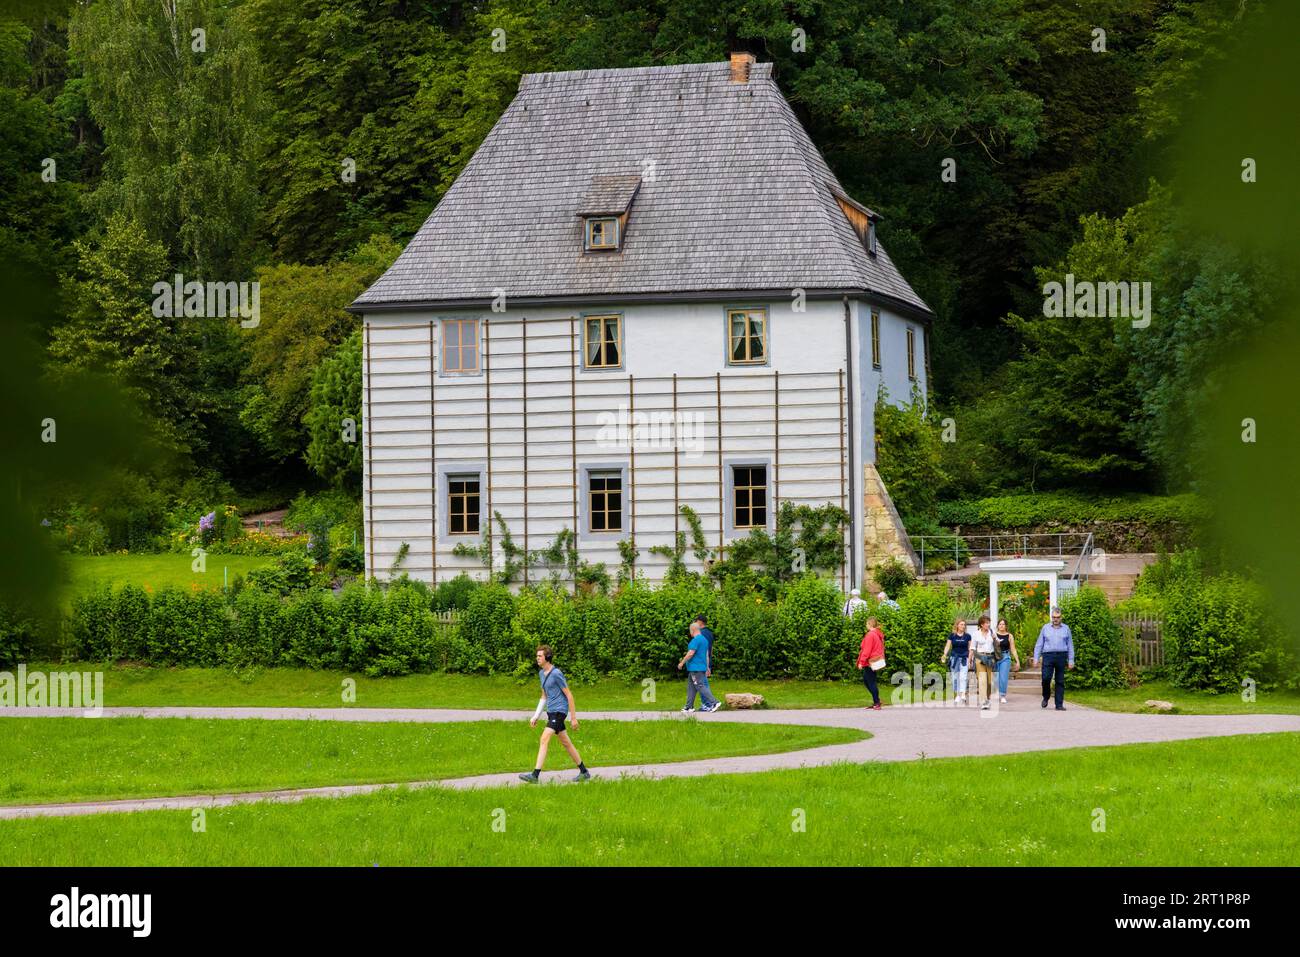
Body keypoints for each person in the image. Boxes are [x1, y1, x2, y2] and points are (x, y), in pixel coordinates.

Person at [519, 645, 591, 783]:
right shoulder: (541, 674)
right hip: (551, 712)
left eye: (540, 656)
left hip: (560, 711)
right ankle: (584, 771)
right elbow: (544, 696)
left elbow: (569, 695)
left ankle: (535, 775)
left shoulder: (557, 673)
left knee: (544, 738)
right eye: (537, 656)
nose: (537, 658)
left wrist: (573, 718)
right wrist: (536, 716)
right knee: (566, 742)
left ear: (547, 657)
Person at [1033, 606, 1075, 710]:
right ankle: (1046, 696)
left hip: (1061, 656)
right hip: (1048, 656)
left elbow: (1070, 645)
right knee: (1046, 678)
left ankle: (1059, 704)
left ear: (1061, 617)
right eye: (1053, 617)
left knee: (1060, 680)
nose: (1055, 619)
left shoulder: (1066, 628)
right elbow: (1039, 644)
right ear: (1052, 617)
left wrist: (1071, 660)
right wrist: (1036, 658)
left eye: (1057, 617)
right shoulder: (1045, 628)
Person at [678, 621, 721, 713]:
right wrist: (707, 667)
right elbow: (706, 655)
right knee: (691, 687)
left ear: (693, 630)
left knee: (700, 686)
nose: (690, 633)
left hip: (695, 668)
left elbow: (690, 653)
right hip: (699, 667)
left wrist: (682, 663)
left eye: (690, 631)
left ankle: (714, 702)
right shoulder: (704, 640)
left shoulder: (696, 640)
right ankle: (689, 706)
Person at [856, 616, 886, 710]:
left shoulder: (870, 635)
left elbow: (867, 650)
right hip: (874, 660)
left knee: (871, 682)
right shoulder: (877, 634)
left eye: (866, 623)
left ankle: (877, 702)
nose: (866, 625)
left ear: (870, 624)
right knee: (867, 680)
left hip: (870, 662)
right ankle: (876, 701)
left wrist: (861, 661)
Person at [941, 619, 972, 705]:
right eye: (961, 624)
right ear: (957, 625)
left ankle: (963, 694)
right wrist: (944, 654)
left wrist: (970, 660)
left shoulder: (968, 636)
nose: (963, 626)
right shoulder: (952, 636)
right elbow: (948, 646)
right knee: (955, 677)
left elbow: (970, 648)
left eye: (964, 625)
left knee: (963, 676)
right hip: (954, 658)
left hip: (964, 659)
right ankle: (957, 694)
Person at [971, 615, 997, 710]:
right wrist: (972, 659)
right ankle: (984, 701)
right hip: (980, 658)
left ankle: (988, 698)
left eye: (988, 622)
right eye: (986, 623)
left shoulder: (992, 633)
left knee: (990, 681)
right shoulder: (976, 634)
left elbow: (998, 646)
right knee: (982, 680)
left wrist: (995, 639)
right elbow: (973, 648)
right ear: (981, 624)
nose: (988, 624)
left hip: (990, 657)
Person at [994, 618, 1020, 704]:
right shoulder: (993, 635)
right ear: (997, 626)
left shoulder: (1009, 636)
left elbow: (1013, 649)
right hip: (995, 657)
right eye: (1000, 624)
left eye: (1003, 624)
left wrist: (1017, 660)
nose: (1001, 626)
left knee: (1003, 678)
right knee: (995, 677)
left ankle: (1002, 695)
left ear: (1006, 626)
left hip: (1005, 657)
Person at [693, 614, 717, 700]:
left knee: (702, 684)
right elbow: (712, 649)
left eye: (696, 621)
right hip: (705, 661)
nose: (695, 623)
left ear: (700, 622)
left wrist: (706, 666)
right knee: (702, 684)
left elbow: (705, 649)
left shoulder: (702, 633)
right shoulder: (709, 633)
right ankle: (708, 703)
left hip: (702, 662)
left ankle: (709, 703)